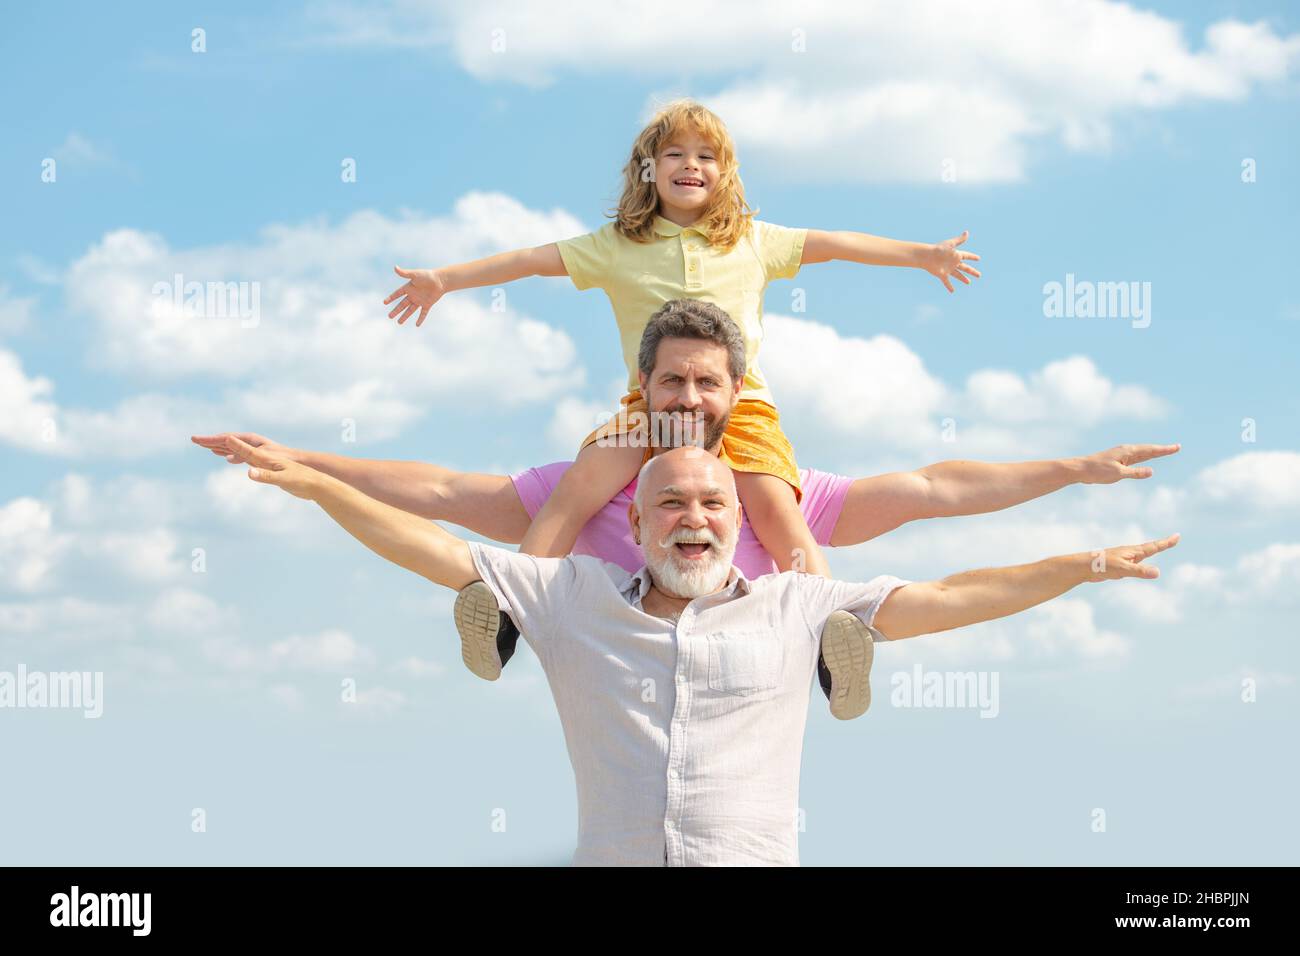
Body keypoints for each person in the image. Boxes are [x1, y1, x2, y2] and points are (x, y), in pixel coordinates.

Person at [216, 437, 1178, 866]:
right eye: (670, 502)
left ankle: (850, 674)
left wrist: (1081, 562)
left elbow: (950, 593)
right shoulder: (573, 596)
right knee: (484, 585)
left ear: (740, 520)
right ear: (632, 523)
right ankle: (492, 630)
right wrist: (316, 484)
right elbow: (429, 536)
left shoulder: (799, 605)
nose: (694, 516)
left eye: (715, 502)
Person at [194, 306, 1179, 720]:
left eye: (709, 382)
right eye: (672, 379)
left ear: (735, 390)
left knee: (810, 578)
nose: (690, 397)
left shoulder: (762, 476)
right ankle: (501, 626)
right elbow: (448, 493)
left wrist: (1070, 468)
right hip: (614, 662)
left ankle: (835, 643)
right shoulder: (606, 465)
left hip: (740, 680)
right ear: (643, 381)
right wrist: (307, 460)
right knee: (542, 536)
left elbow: (930, 490)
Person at [381, 100, 981, 665]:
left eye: (706, 156)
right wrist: (445, 280)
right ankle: (509, 607)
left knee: (775, 508)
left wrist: (921, 255)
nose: (690, 165)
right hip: (654, 408)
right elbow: (530, 260)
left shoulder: (750, 238)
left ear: (725, 173)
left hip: (737, 411)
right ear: (648, 168)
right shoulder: (616, 246)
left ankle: (831, 633)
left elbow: (835, 244)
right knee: (581, 483)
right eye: (673, 154)